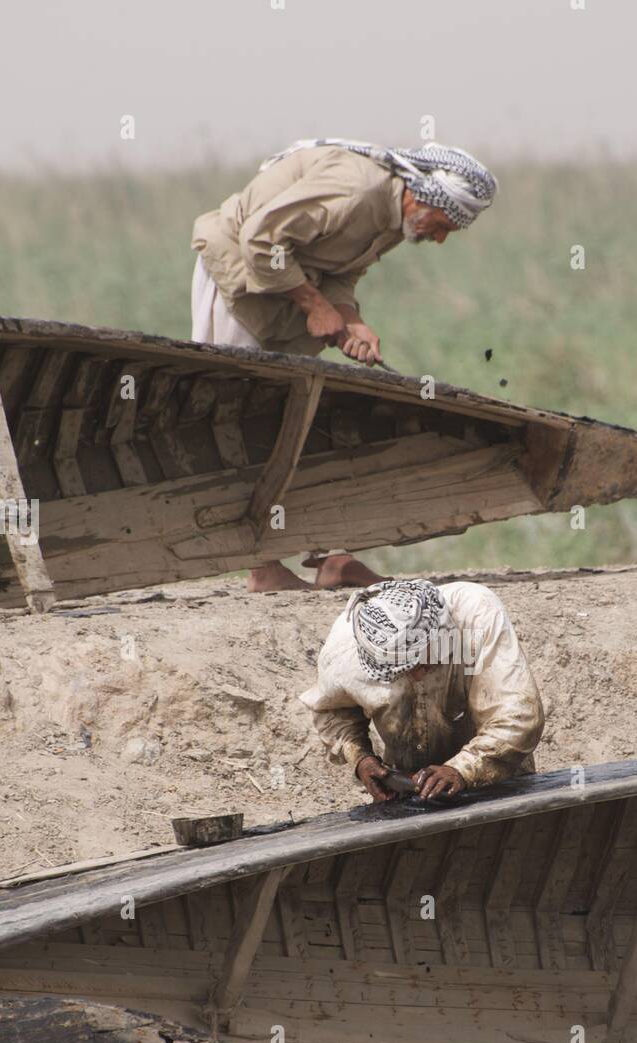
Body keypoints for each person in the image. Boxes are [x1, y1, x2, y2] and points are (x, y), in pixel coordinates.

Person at [191, 139, 498, 593]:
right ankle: (262, 566)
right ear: (423, 196)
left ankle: (333, 557)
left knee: (302, 419)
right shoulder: (357, 190)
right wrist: (315, 305)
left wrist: (350, 319)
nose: (439, 238)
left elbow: (340, 270)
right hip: (237, 280)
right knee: (242, 420)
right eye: (444, 225)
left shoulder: (393, 220)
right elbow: (261, 240)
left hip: (284, 292)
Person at [299, 578, 543, 801]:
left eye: (426, 662)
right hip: (409, 795)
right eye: (403, 668)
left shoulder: (476, 616)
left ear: (442, 635)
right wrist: (361, 758)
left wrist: (463, 769)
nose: (417, 674)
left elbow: (518, 716)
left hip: (499, 784)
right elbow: (332, 712)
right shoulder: (347, 651)